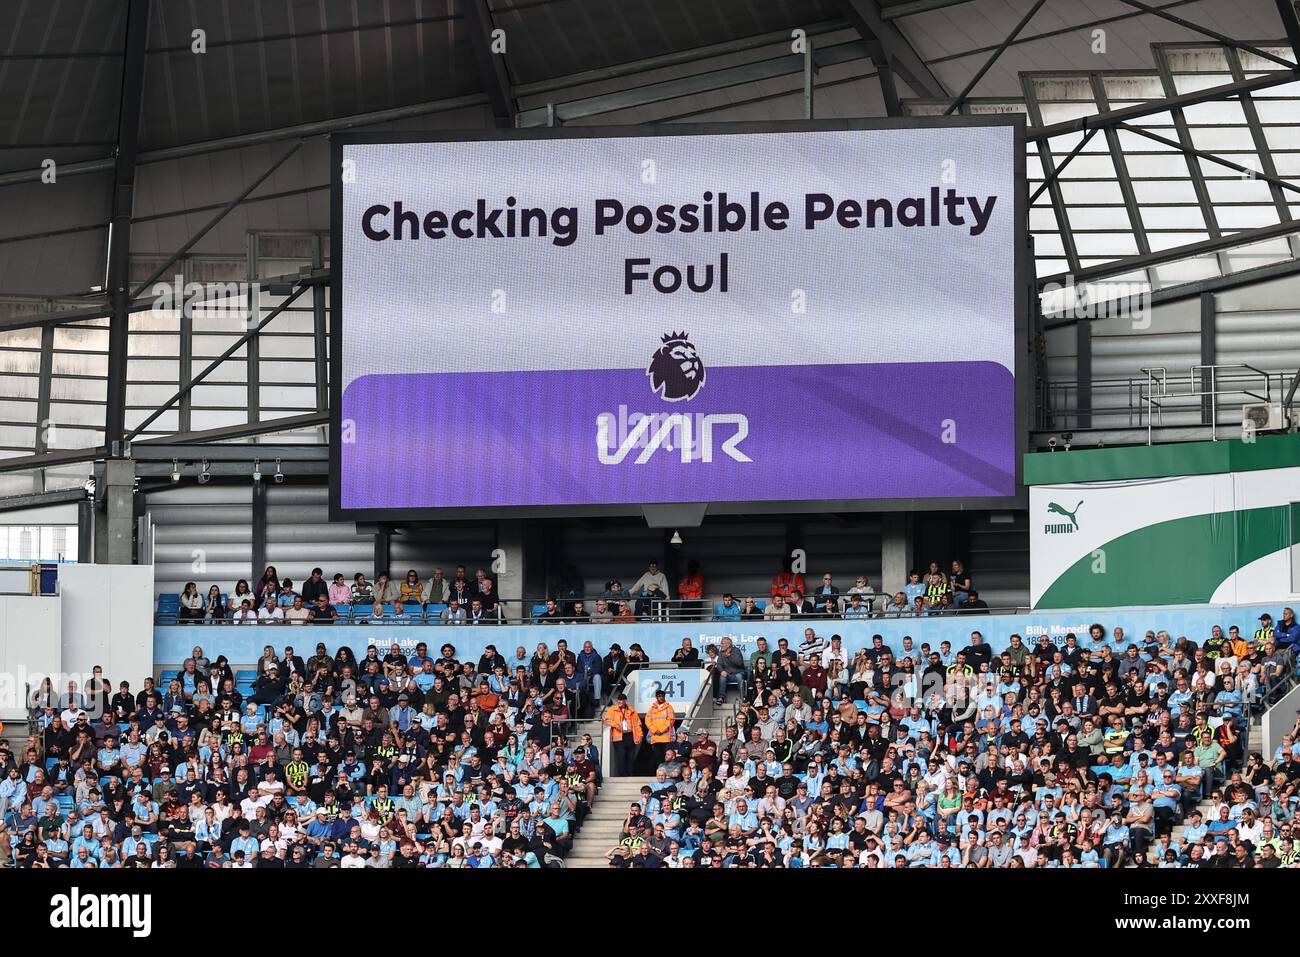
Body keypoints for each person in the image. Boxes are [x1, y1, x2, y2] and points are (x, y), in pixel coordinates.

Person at [603, 694, 643, 777]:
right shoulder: (612, 709)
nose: (619, 701)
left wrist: (639, 736)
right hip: (619, 737)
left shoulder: (632, 711)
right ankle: (622, 775)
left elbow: (637, 725)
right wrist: (615, 724)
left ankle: (630, 774)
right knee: (621, 757)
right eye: (618, 700)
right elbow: (606, 720)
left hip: (630, 736)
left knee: (630, 757)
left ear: (625, 701)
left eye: (621, 700)